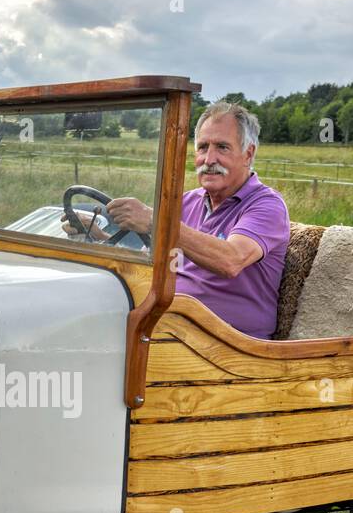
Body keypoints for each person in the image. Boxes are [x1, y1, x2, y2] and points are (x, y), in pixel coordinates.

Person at [72, 101, 290, 339]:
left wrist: (156, 222)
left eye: (222, 147)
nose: (209, 159)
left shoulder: (266, 205)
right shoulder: (186, 202)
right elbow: (151, 265)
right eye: (203, 147)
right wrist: (98, 238)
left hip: (232, 344)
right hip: (170, 326)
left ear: (248, 154)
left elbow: (230, 260)